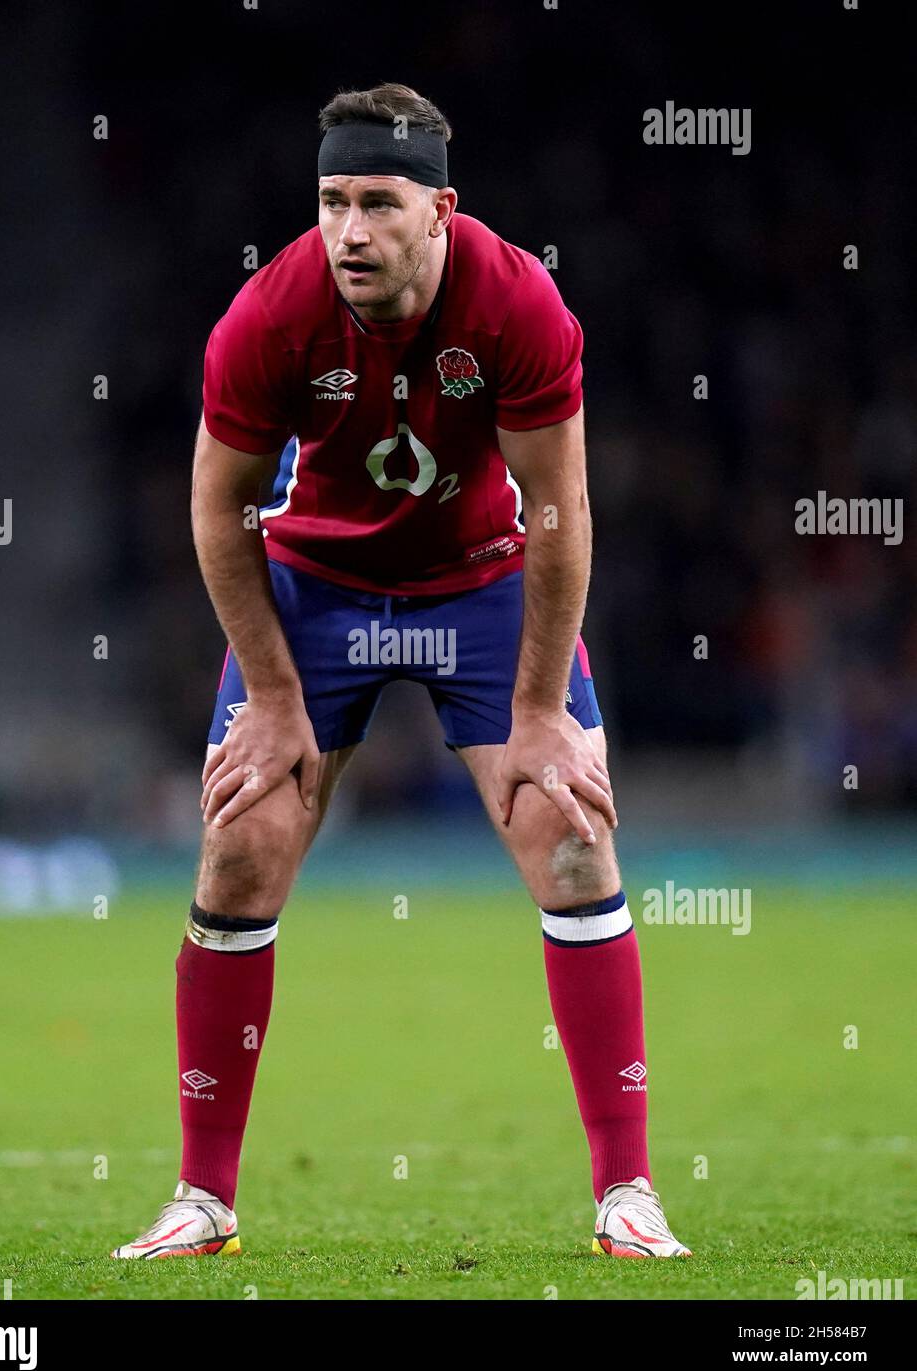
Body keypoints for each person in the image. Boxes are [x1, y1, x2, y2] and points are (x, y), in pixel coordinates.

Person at [112, 82, 690, 1261]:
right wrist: (272, 703)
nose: (350, 231)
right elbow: (216, 511)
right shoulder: (267, 317)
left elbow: (560, 509)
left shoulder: (519, 300)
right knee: (240, 838)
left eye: (378, 201)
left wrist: (537, 713)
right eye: (331, 201)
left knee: (571, 830)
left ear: (441, 211)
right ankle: (202, 1201)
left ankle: (626, 1194)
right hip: (314, 586)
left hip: (480, 579)